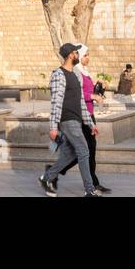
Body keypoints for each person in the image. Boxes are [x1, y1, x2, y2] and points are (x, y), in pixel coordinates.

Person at [38, 43, 98, 197]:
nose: (78, 54)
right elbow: (56, 102)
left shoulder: (75, 75)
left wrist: (90, 123)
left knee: (71, 154)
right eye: (76, 52)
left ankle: (47, 177)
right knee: (84, 151)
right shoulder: (59, 75)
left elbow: (81, 103)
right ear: (71, 55)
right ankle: (89, 190)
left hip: (77, 119)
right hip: (67, 120)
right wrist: (53, 127)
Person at [55, 45, 110, 193]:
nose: (88, 58)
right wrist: (93, 96)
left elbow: (87, 92)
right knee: (84, 151)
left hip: (88, 115)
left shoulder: (84, 72)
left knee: (86, 150)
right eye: (85, 55)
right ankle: (55, 174)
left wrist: (99, 87)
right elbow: (77, 96)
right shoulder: (74, 73)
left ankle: (55, 174)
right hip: (79, 117)